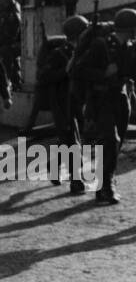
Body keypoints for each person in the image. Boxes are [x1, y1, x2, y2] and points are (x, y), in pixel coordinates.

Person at [73, 9, 136, 205]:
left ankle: (105, 183)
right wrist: (103, 73)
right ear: (129, 29)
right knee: (109, 140)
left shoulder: (134, 46)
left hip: (122, 98)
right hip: (101, 98)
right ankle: (106, 186)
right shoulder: (101, 45)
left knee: (117, 143)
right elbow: (78, 70)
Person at [36, 16, 89, 194]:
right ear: (77, 35)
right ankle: (76, 180)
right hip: (61, 102)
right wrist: (64, 71)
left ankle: (53, 165)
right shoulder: (58, 54)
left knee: (70, 138)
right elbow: (43, 77)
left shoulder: (85, 52)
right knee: (71, 139)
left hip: (77, 102)